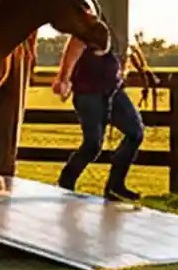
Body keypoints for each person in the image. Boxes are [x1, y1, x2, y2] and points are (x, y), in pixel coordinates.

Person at [50, 17, 145, 202]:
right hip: (88, 94)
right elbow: (71, 54)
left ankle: (115, 186)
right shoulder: (84, 33)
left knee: (135, 132)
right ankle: (65, 184)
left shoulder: (112, 31)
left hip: (113, 91)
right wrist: (64, 79)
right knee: (93, 144)